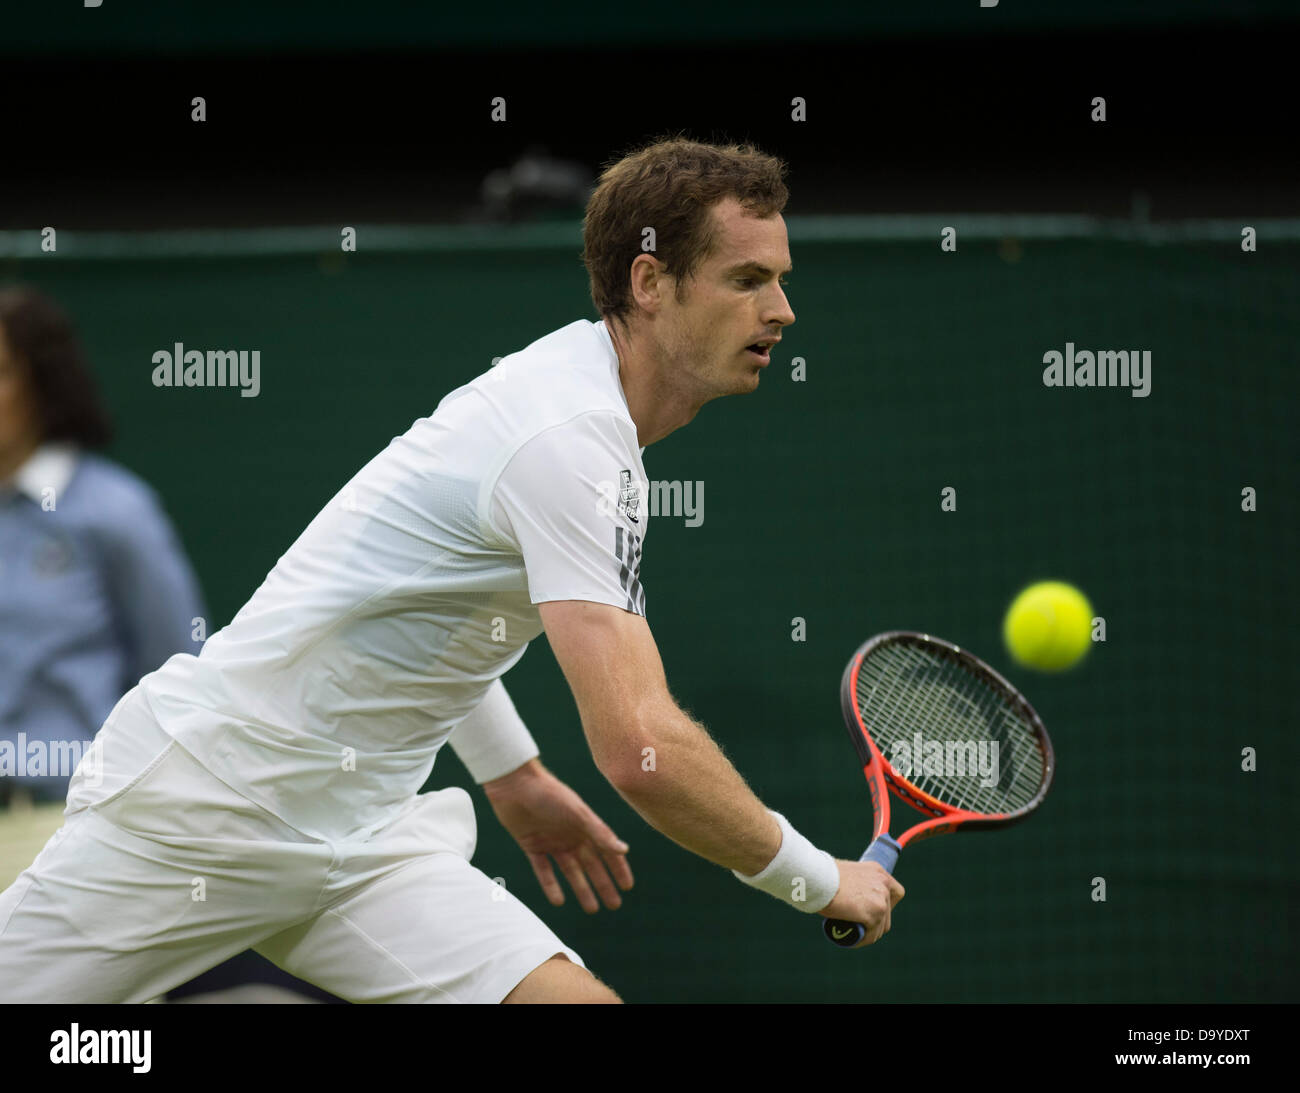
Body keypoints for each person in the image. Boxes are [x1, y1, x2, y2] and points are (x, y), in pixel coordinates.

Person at [0, 137, 904, 1004]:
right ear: (649, 282)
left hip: (365, 837)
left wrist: (510, 771)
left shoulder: (575, 408)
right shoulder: (569, 439)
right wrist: (817, 877)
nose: (782, 310)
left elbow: (423, 601)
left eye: (781, 279)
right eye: (748, 279)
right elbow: (641, 748)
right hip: (209, 810)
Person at [0, 287, 205, 808]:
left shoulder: (116, 511)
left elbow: (179, 675)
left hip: (72, 816)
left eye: (0, 372)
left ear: (41, 383)